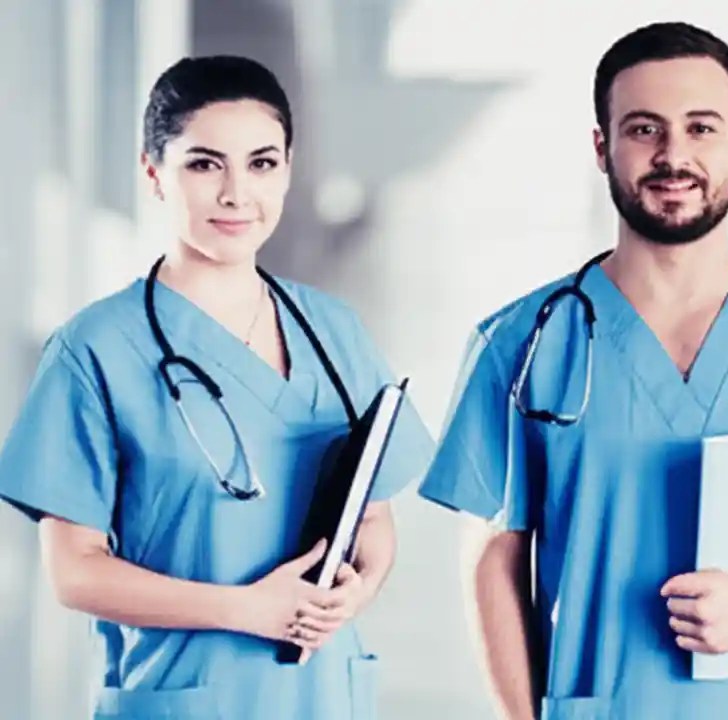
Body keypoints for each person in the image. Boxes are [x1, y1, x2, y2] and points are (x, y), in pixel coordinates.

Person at [418, 21, 728, 720]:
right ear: (602, 148)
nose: (673, 155)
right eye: (643, 129)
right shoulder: (521, 344)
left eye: (701, 128)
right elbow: (493, 562)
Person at [0, 55, 433, 719]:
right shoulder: (95, 349)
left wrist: (358, 590)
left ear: (287, 170)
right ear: (153, 173)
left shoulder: (334, 329)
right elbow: (74, 571)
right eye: (204, 165)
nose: (236, 193)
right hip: (186, 698)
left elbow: (373, 519)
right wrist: (246, 609)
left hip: (322, 695)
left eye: (261, 163)